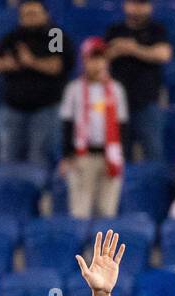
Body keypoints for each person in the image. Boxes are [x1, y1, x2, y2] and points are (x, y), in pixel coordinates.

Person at [0, 0, 75, 166]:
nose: (30, 18)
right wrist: (7, 65)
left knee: (39, 158)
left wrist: (31, 62)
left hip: (45, 108)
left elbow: (56, 65)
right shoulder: (13, 37)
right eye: (26, 14)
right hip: (13, 107)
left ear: (46, 14)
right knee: (7, 157)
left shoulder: (53, 34)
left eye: (34, 13)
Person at [58, 37, 128, 219]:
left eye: (101, 58)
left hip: (109, 155)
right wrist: (67, 155)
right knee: (80, 210)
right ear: (84, 61)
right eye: (92, 59)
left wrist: (121, 155)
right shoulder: (74, 89)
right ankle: (81, 248)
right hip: (83, 155)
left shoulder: (116, 89)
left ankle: (102, 248)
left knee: (107, 211)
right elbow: (67, 123)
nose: (97, 64)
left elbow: (122, 125)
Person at [104, 0, 172, 162]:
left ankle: (155, 185)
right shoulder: (115, 29)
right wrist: (116, 49)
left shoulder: (157, 29)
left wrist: (133, 49)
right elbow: (101, 58)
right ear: (125, 5)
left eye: (142, 4)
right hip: (118, 102)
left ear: (150, 7)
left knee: (153, 150)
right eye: (133, 4)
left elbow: (164, 54)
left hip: (147, 101)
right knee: (119, 154)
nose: (137, 9)